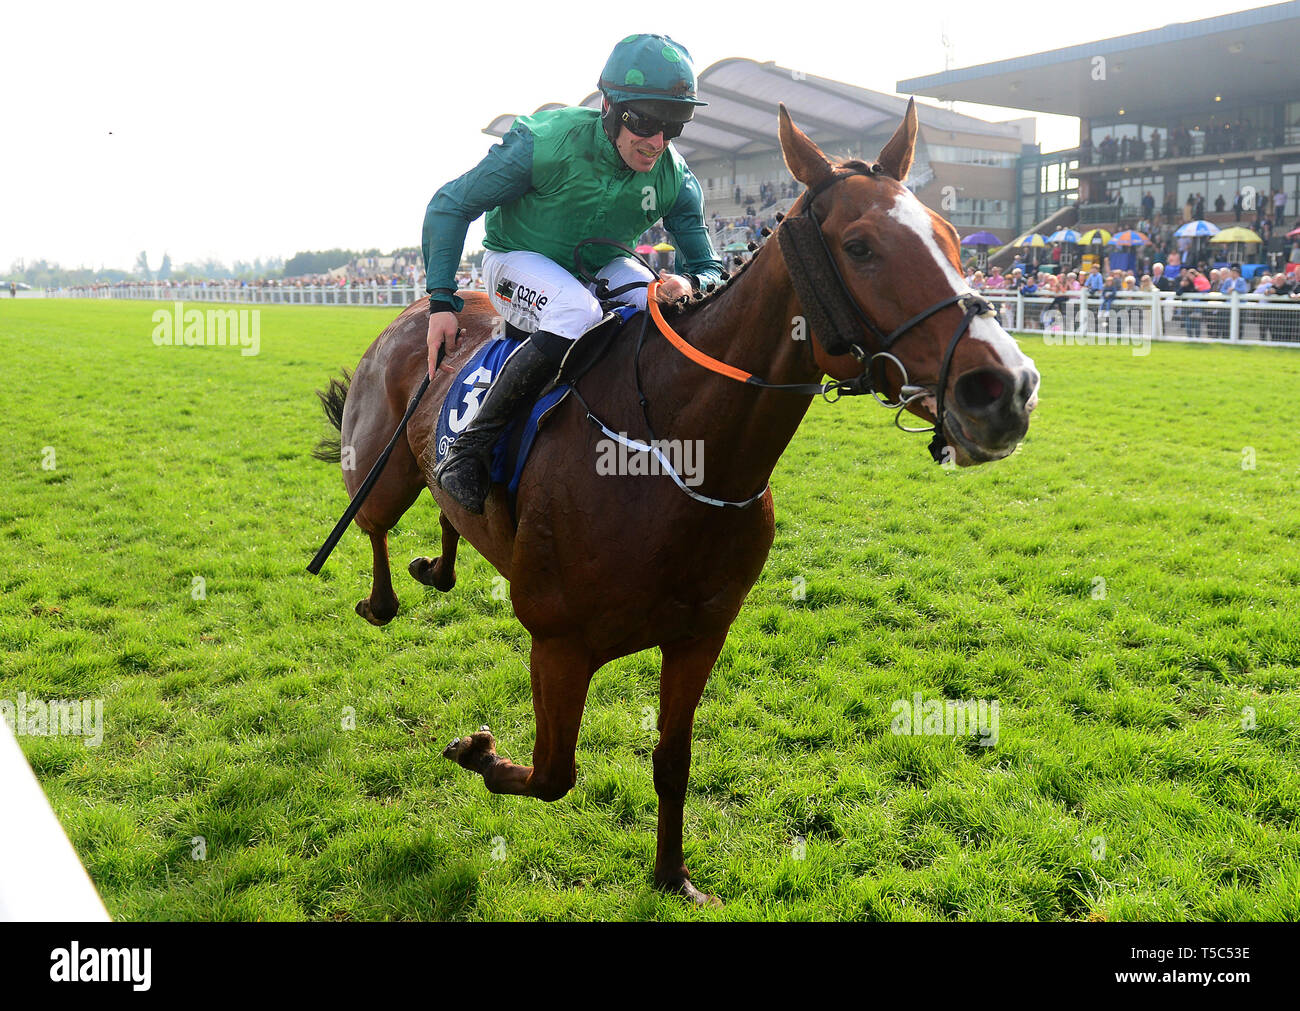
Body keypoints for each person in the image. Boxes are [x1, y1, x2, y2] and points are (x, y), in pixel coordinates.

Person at [421, 34, 723, 513]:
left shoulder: (675, 177)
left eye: (675, 125)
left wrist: (689, 284)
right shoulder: (543, 143)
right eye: (644, 122)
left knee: (660, 304)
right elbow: (449, 206)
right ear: (609, 105)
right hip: (513, 258)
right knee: (576, 310)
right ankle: (467, 450)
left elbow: (708, 268)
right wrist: (441, 301)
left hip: (597, 264)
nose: (657, 142)